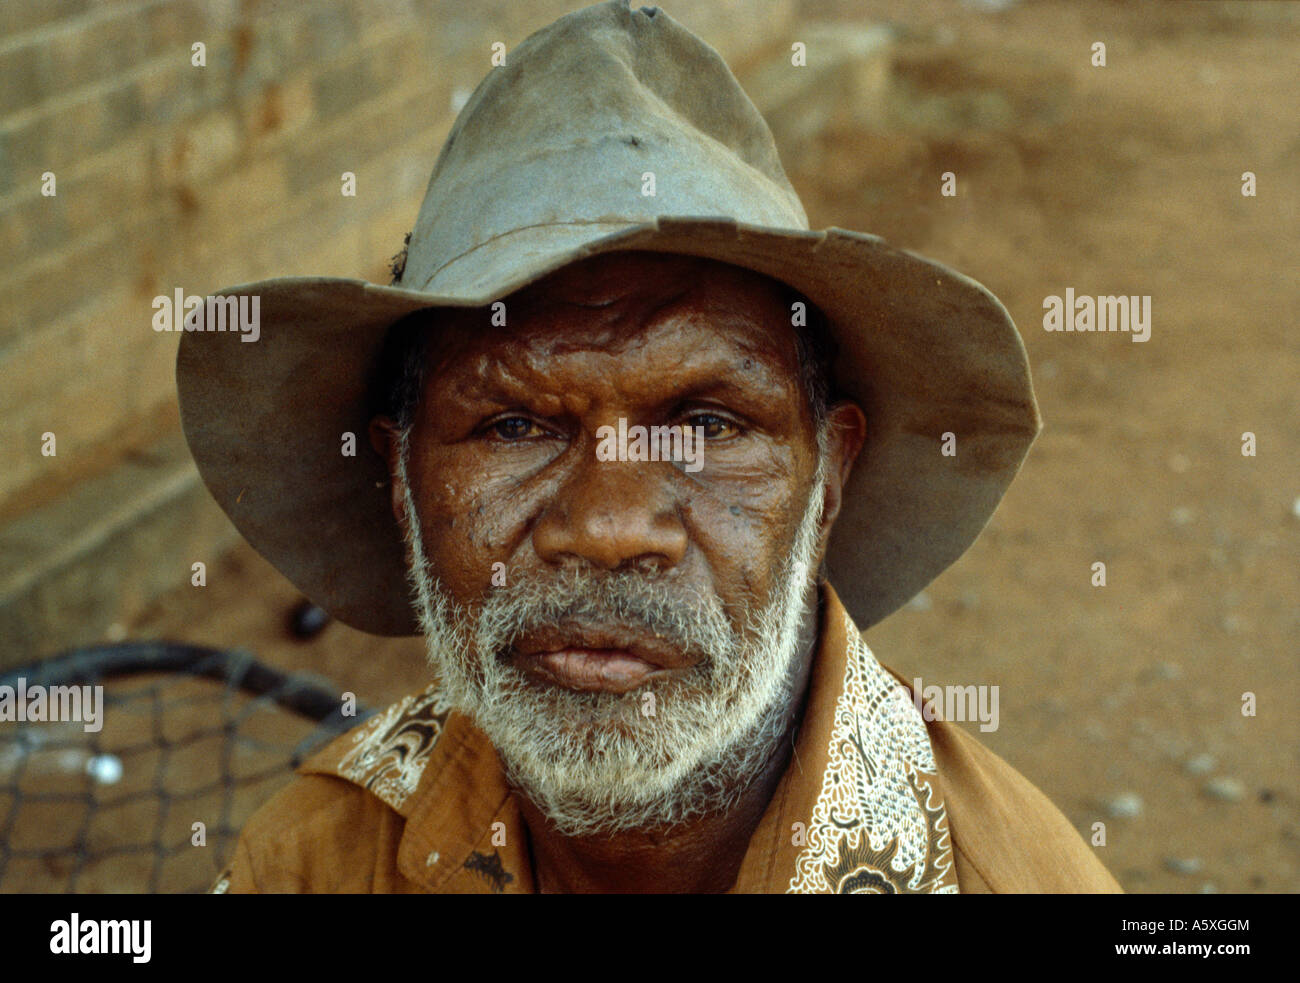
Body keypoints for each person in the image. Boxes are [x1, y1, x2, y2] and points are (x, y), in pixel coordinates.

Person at [179, 0, 1120, 893]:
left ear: (828, 475)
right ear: (399, 478)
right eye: (514, 426)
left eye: (708, 426)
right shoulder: (313, 863)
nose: (608, 526)